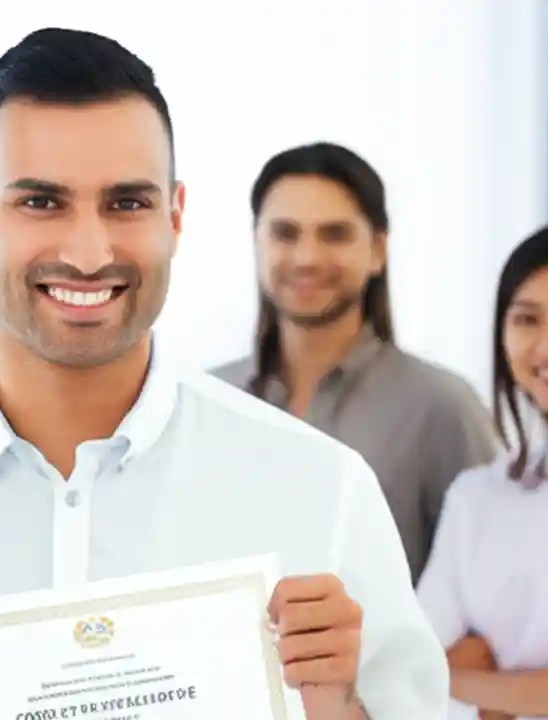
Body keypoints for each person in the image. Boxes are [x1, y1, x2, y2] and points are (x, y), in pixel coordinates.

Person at [0, 28, 446, 720]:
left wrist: (337, 710)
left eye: (126, 203)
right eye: (41, 202)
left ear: (175, 218)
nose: (87, 253)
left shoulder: (321, 491)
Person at [213, 143, 497, 584]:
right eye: (285, 233)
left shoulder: (440, 406)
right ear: (257, 243)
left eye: (335, 234)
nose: (307, 258)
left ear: (378, 250)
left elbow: (492, 579)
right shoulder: (210, 402)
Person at [416, 221, 548, 719]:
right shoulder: (477, 498)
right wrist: (545, 692)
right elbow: (413, 679)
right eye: (527, 319)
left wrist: (475, 687)